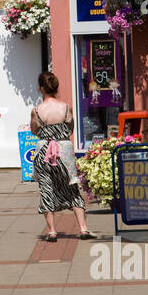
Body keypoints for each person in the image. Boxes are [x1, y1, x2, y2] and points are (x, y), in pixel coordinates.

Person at [30, 71, 98, 242]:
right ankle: (83, 228)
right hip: (64, 150)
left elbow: (34, 130)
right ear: (56, 87)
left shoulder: (36, 110)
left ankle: (52, 231)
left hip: (44, 151)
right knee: (72, 188)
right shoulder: (66, 107)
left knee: (46, 189)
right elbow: (71, 128)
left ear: (41, 88)